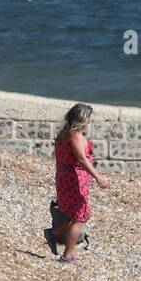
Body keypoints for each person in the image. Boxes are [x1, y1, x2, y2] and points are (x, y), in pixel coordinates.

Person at [48, 103, 107, 263]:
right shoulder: (75, 136)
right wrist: (98, 176)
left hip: (64, 177)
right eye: (88, 119)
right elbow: (81, 159)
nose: (89, 123)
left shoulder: (63, 134)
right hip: (74, 180)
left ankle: (53, 234)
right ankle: (68, 254)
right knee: (80, 217)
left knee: (73, 214)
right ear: (82, 120)